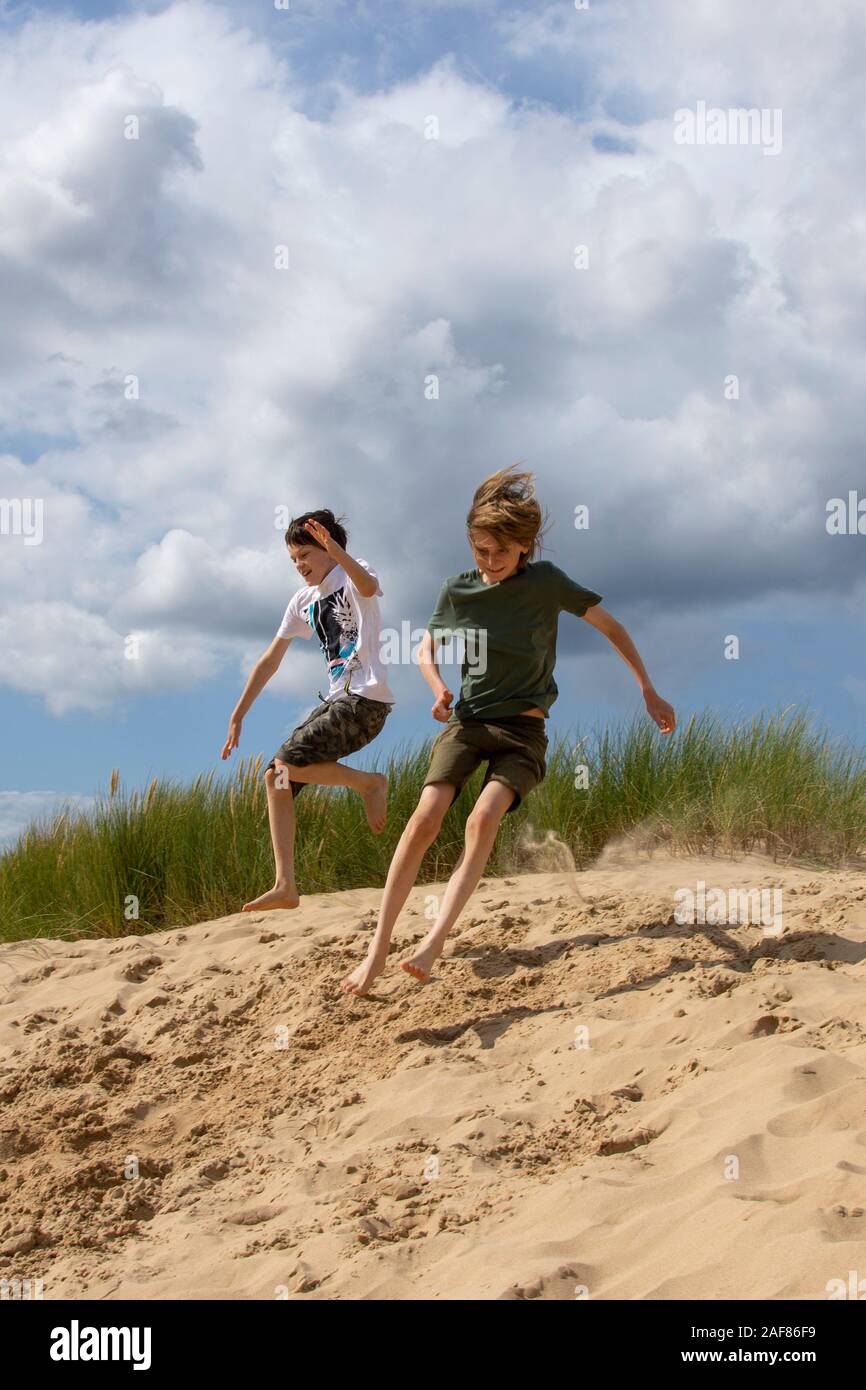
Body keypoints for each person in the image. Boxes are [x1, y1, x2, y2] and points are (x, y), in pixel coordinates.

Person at [342, 466, 675, 993]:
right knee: (425, 819)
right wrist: (436, 687)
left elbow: (612, 627)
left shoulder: (548, 584)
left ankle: (434, 941)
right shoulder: (459, 589)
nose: (490, 562)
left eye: (500, 552)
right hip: (468, 722)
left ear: (525, 547)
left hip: (523, 732)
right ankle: (377, 950)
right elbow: (425, 647)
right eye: (480, 551)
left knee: (482, 818)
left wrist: (647, 690)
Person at [222, 511, 394, 911]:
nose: (299, 565)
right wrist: (238, 713)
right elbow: (270, 660)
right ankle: (286, 885)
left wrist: (337, 552)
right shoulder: (302, 601)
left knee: (282, 765)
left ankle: (369, 784)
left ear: (328, 549)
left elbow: (369, 586)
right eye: (293, 559)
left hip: (365, 700)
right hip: (337, 702)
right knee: (274, 778)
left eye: (305, 555)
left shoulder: (353, 573)